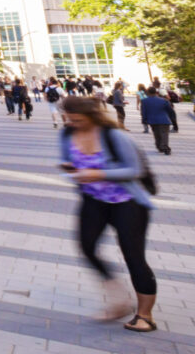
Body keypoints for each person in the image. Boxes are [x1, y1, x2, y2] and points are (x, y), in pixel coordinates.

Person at [59, 96, 158, 332]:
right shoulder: (66, 134)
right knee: (87, 247)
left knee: (133, 257)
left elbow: (135, 169)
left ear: (91, 116)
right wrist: (72, 172)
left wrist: (98, 174)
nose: (72, 123)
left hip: (127, 202)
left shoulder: (115, 136)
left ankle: (145, 315)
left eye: (77, 119)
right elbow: (67, 163)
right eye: (68, 119)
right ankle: (119, 300)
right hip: (93, 200)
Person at [141, 88, 174, 155]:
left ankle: (159, 146)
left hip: (152, 121)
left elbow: (143, 112)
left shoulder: (144, 101)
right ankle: (165, 147)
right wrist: (172, 118)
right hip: (164, 120)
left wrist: (144, 120)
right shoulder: (164, 101)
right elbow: (170, 110)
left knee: (156, 134)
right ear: (156, 92)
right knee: (164, 134)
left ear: (148, 93)